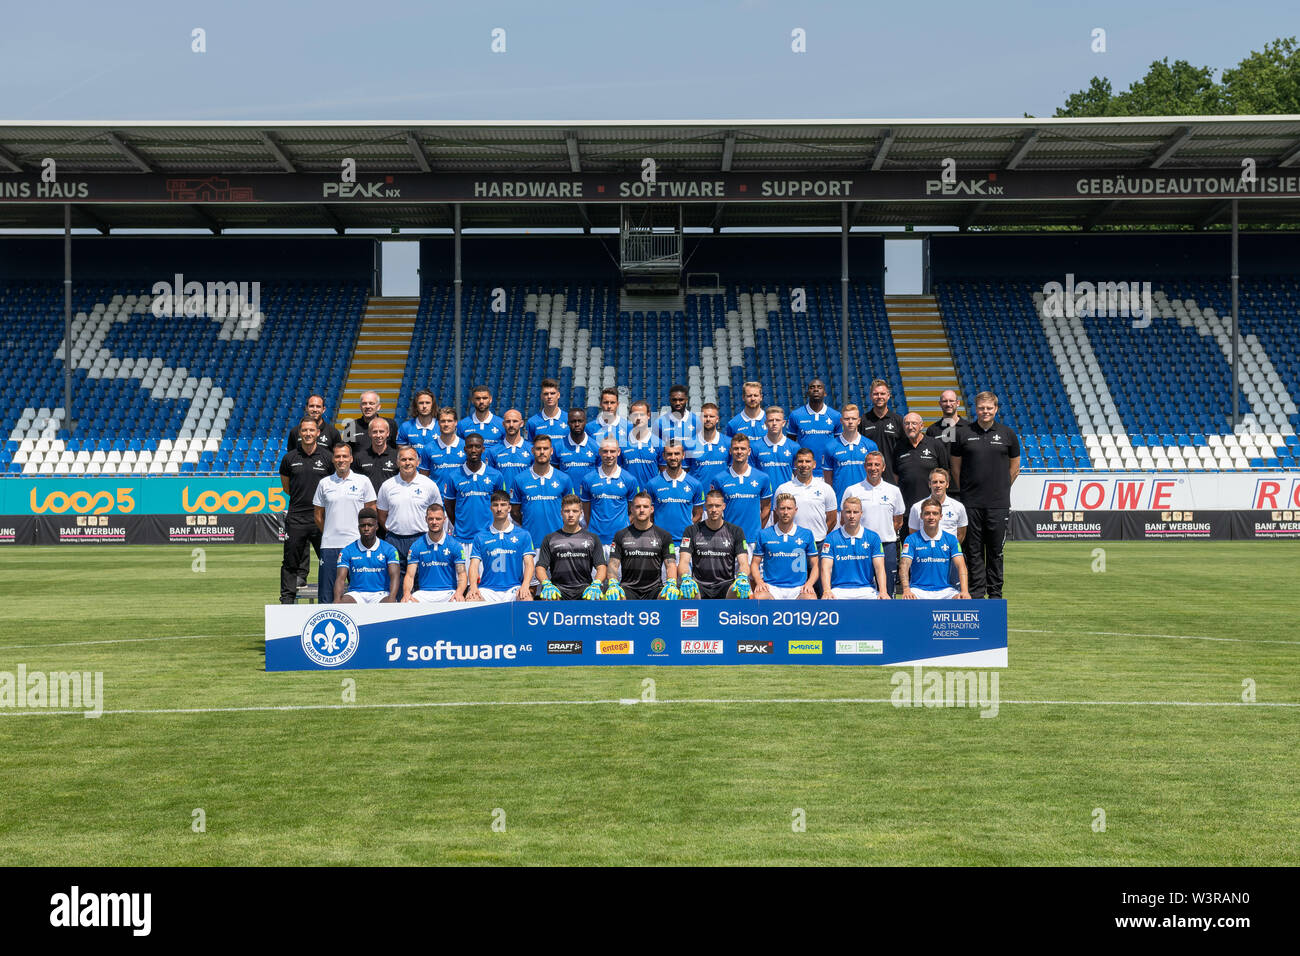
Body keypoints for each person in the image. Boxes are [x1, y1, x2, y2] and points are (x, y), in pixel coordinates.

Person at [951, 391, 1020, 600]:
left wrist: (1001, 487)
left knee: (995, 551)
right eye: (981, 408)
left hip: (998, 504)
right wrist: (967, 488)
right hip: (971, 503)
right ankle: (977, 592)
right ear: (976, 409)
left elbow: (1015, 466)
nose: (985, 411)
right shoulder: (962, 433)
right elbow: (956, 467)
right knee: (973, 550)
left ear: (996, 409)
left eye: (989, 408)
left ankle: (996, 593)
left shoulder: (1007, 434)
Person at [312, 442, 377, 603]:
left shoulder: (363, 481)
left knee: (363, 593)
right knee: (327, 596)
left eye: (344, 456)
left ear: (351, 459)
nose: (341, 459)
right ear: (333, 459)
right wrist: (330, 531)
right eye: (337, 456)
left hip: (357, 545)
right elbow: (318, 516)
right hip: (329, 546)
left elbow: (371, 512)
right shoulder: (324, 483)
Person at [278, 417, 332, 603]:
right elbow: (287, 488)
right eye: (304, 430)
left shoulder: (328, 457)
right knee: (290, 561)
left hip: (321, 518)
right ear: (299, 433)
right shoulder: (289, 458)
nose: (308, 434)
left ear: (318, 433)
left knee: (328, 559)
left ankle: (333, 597)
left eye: (312, 430)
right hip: (296, 518)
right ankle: (287, 599)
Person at [843, 451, 906, 595]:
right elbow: (844, 520)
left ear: (883, 467)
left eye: (877, 465)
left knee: (887, 589)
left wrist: (881, 535)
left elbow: (898, 521)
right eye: (870, 464)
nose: (873, 468)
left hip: (886, 545)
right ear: (864, 466)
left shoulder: (894, 491)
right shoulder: (852, 490)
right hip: (860, 546)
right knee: (861, 588)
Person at [376, 445, 444, 574]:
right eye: (403, 459)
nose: (407, 463)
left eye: (411, 459)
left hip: (422, 539)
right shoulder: (387, 485)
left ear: (418, 462)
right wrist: (393, 530)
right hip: (394, 540)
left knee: (422, 580)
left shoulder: (429, 485)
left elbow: (438, 513)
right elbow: (381, 514)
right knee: (395, 580)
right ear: (397, 462)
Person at [678, 489, 751, 600]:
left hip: (726, 584)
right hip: (699, 584)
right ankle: (691, 618)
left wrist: (742, 577)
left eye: (717, 506)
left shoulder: (736, 531)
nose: (714, 510)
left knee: (741, 591)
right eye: (710, 506)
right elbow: (683, 561)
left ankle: (733, 617)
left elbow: (744, 563)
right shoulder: (691, 531)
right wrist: (685, 577)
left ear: (724, 506)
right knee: (686, 593)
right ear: (705, 507)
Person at [607, 491, 680, 600]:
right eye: (638, 507)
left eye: (645, 507)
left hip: (654, 589)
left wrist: (672, 583)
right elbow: (613, 564)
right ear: (631, 509)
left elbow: (670, 565)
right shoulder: (620, 535)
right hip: (628, 588)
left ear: (652, 509)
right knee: (615, 596)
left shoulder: (664, 535)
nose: (641, 510)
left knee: (668, 596)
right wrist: (612, 583)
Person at [467, 490, 535, 603]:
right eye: (495, 505)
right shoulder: (480, 537)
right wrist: (473, 586)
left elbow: (529, 564)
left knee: (526, 599)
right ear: (491, 508)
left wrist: (525, 585)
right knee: (471, 599)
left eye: (503, 505)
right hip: (487, 589)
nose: (499, 509)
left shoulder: (523, 535)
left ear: (509, 508)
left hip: (513, 588)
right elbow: (474, 566)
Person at [510, 434, 574, 554]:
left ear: (551, 451)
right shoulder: (519, 479)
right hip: (531, 543)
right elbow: (514, 512)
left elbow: (571, 509)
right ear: (532, 450)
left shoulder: (564, 479)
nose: (542, 452)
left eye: (545, 449)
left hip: (558, 541)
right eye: (538, 448)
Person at [444, 433, 506, 558]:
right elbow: (449, 505)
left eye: (477, 446)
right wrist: (461, 525)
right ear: (464, 449)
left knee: (487, 578)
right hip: (462, 539)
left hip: (489, 537)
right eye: (470, 446)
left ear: (483, 449)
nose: (473, 450)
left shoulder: (496, 475)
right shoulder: (454, 476)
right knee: (463, 577)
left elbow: (501, 506)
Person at [535, 495, 607, 601]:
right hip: (558, 588)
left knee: (595, 597)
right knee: (548, 597)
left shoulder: (592, 538)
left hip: (585, 588)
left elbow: (602, 567)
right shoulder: (550, 538)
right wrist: (546, 584)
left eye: (575, 511)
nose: (571, 515)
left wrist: (596, 584)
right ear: (561, 513)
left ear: (581, 513)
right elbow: (540, 568)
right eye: (567, 511)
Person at [710, 434, 772, 553]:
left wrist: (757, 530)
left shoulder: (762, 478)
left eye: (743, 448)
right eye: (736, 448)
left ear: (749, 451)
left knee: (751, 572)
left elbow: (766, 507)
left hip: (753, 540)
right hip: (727, 539)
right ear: (730, 451)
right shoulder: (719, 479)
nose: (739, 452)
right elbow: (714, 509)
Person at [900, 498, 970, 600]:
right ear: (921, 516)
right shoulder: (911, 539)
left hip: (945, 590)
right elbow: (904, 566)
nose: (931, 517)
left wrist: (964, 591)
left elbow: (961, 566)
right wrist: (906, 590)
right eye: (927, 513)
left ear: (940, 516)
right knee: (908, 599)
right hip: (918, 590)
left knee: (962, 599)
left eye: (935, 513)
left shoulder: (951, 539)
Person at [752, 493, 819, 600]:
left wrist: (809, 584)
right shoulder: (764, 534)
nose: (786, 512)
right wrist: (759, 582)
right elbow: (755, 563)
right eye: (782, 508)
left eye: (789, 508)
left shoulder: (807, 534)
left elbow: (815, 565)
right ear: (776, 510)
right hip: (772, 587)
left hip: (798, 588)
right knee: (759, 597)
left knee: (810, 598)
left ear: (795, 510)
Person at [820, 496, 889, 600]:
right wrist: (826, 590)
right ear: (842, 513)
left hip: (867, 589)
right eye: (848, 512)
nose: (852, 516)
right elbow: (826, 568)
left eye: (855, 512)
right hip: (838, 590)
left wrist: (883, 591)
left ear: (861, 513)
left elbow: (879, 568)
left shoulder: (873, 537)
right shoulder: (831, 537)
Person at [581, 438, 639, 554]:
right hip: (595, 539)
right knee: (597, 572)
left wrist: (625, 525)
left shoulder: (630, 479)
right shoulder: (588, 479)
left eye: (612, 451)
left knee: (617, 572)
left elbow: (635, 510)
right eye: (605, 451)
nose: (609, 455)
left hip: (621, 539)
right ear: (599, 452)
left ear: (618, 452)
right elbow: (586, 511)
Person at [402, 503, 467, 602]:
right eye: (431, 519)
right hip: (424, 593)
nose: (434, 522)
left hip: (448, 592)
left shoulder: (455, 545)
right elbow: (410, 576)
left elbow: (462, 573)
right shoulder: (416, 546)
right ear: (426, 519)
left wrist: (459, 593)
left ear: (444, 520)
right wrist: (406, 593)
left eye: (438, 519)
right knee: (407, 602)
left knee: (457, 600)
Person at [333, 508, 401, 604]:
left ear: (376, 526)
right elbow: (340, 579)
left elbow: (395, 576)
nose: (366, 528)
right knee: (341, 603)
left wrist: (392, 598)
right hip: (356, 594)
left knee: (389, 603)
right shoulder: (347, 550)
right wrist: (336, 601)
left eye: (370, 525)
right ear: (358, 527)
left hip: (381, 594)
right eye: (362, 525)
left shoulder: (389, 549)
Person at [776, 448, 838, 547]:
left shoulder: (825, 488)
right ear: (795, 464)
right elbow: (777, 518)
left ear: (814, 464)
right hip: (791, 543)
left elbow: (833, 518)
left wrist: (821, 535)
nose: (804, 465)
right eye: (800, 461)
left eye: (808, 461)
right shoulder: (784, 488)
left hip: (818, 542)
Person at [646, 440, 704, 545]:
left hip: (685, 542)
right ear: (663, 456)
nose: (673, 457)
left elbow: (699, 514)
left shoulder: (695, 484)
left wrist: (687, 530)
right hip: (659, 541)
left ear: (683, 455)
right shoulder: (652, 484)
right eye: (669, 454)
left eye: (677, 453)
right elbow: (649, 515)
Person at [893, 412, 952, 514]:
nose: (910, 427)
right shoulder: (898, 447)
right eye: (907, 424)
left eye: (914, 423)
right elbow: (895, 476)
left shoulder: (935, 445)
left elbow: (945, 473)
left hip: (932, 507)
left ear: (921, 426)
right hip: (907, 507)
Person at [821, 403, 878, 505]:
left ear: (859, 421)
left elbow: (876, 475)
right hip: (840, 502)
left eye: (853, 419)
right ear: (841, 421)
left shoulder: (870, 445)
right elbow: (828, 478)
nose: (850, 422)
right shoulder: (830, 446)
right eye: (847, 419)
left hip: (866, 502)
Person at [787, 378, 840, 475]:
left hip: (828, 470)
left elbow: (838, 445)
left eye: (819, 387)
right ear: (807, 392)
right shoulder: (796, 415)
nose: (816, 389)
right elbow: (790, 444)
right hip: (803, 470)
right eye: (812, 387)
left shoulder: (835, 416)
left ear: (825, 393)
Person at [860, 379, 906, 483]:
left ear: (888, 396)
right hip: (869, 475)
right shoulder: (863, 420)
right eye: (876, 394)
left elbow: (903, 449)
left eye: (882, 394)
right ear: (871, 396)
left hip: (892, 476)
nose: (879, 397)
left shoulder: (898, 420)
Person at [906, 467, 968, 543]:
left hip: (949, 553)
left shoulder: (958, 507)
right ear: (929, 484)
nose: (938, 485)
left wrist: (951, 549)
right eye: (935, 482)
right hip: (925, 552)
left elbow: (961, 534)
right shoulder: (917, 507)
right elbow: (913, 533)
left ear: (947, 484)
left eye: (941, 482)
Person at [419, 407, 467, 493]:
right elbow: (423, 478)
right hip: (437, 499)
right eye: (443, 421)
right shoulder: (428, 448)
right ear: (438, 423)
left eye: (449, 421)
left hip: (460, 498)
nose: (446, 424)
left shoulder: (466, 446)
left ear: (456, 422)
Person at [618, 400, 662, 488]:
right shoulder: (622, 444)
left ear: (648, 416)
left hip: (650, 497)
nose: (638, 418)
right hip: (628, 496)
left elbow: (664, 474)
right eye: (635, 415)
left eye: (642, 414)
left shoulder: (659, 443)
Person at [753, 405, 796, 492]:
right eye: (771, 420)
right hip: (764, 498)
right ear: (765, 423)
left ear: (783, 423)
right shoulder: (755, 447)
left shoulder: (794, 447)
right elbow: (752, 475)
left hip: (786, 498)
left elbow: (797, 476)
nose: (774, 423)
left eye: (778, 420)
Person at [353, 417, 400, 495]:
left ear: (388, 433)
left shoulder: (397, 457)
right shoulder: (359, 457)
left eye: (381, 431)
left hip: (390, 503)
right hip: (367, 503)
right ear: (369, 433)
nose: (378, 435)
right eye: (375, 432)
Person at [555, 407, 599, 491]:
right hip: (566, 498)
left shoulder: (596, 447)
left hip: (589, 498)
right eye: (573, 421)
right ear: (568, 423)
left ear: (585, 422)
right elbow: (555, 472)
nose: (577, 424)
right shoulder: (558, 446)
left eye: (580, 421)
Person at [485, 408, 533, 484]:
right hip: (502, 495)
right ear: (503, 424)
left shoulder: (531, 449)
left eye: (515, 421)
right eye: (508, 421)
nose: (511, 425)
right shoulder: (493, 451)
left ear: (522, 423)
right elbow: (490, 478)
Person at [687, 402, 729, 484]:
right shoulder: (689, 444)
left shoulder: (728, 442)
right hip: (700, 495)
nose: (708, 419)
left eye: (712, 416)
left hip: (722, 494)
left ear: (717, 419)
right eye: (705, 416)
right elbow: (685, 472)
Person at [396, 389, 440, 461]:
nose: (424, 406)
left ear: (433, 405)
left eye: (427, 403)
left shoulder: (441, 426)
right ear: (416, 406)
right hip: (414, 470)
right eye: (421, 403)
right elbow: (401, 452)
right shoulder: (406, 427)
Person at [654, 383, 699, 449]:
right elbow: (657, 448)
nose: (677, 403)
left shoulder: (696, 421)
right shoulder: (660, 422)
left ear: (686, 400)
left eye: (681, 400)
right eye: (674, 400)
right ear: (670, 400)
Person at [526, 378, 568, 444]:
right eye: (546, 394)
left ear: (558, 395)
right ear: (541, 396)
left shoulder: (568, 419)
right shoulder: (532, 422)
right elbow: (530, 446)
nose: (549, 396)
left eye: (552, 393)